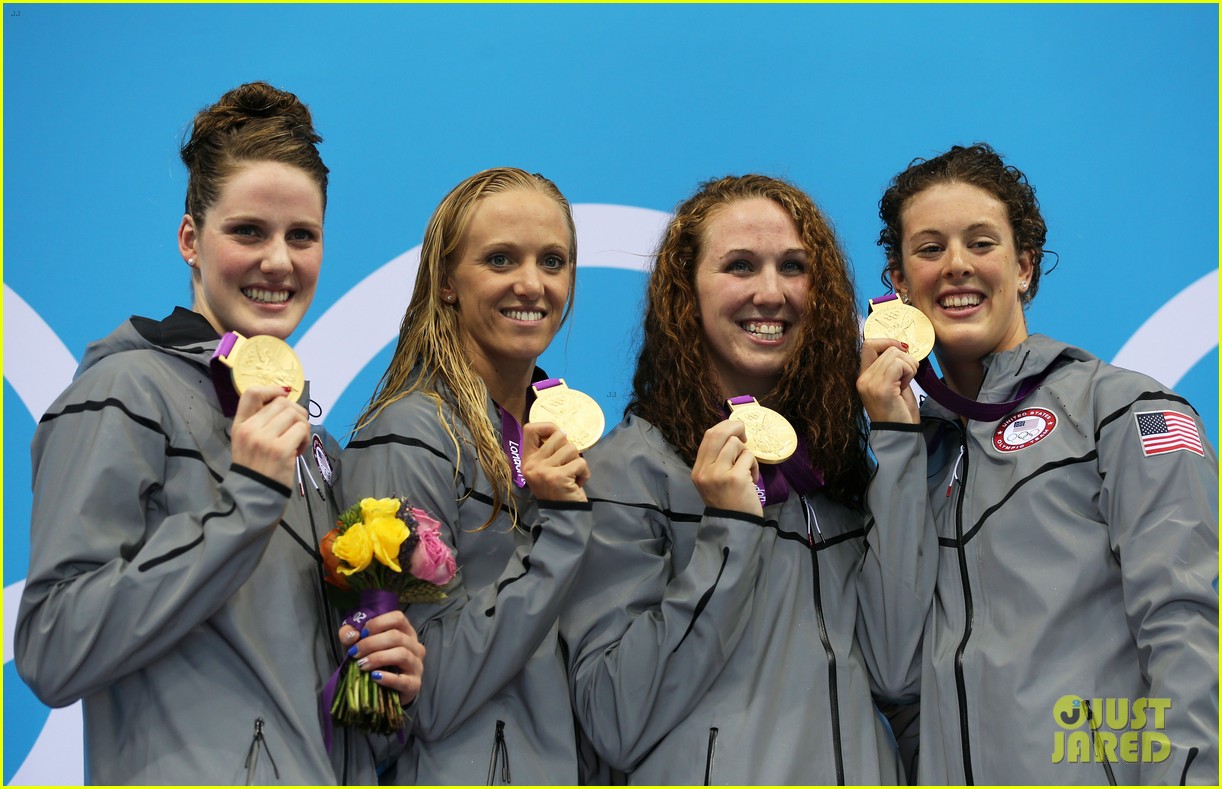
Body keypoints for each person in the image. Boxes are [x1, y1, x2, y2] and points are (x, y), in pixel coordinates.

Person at [13, 81, 425, 784]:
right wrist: (245, 498)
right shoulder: (123, 393)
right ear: (189, 240)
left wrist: (385, 681)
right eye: (248, 232)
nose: (278, 261)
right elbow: (53, 647)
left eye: (302, 236)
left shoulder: (315, 451)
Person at [858, 142, 1218, 784]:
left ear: (1024, 267)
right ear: (898, 282)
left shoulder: (1120, 408)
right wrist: (891, 434)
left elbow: (1191, 622)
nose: (956, 267)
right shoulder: (912, 456)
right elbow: (893, 670)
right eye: (930, 249)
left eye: (982, 243)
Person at [561, 174, 920, 784]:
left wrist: (899, 443)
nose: (772, 292)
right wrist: (727, 532)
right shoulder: (626, 471)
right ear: (686, 294)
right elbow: (613, 720)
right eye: (740, 266)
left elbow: (898, 670)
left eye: (794, 266)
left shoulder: (838, 467)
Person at [343, 167, 593, 784]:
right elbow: (422, 697)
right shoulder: (407, 438)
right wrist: (560, 527)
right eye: (501, 259)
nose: (532, 284)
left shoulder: (562, 439)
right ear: (448, 280)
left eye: (553, 261)